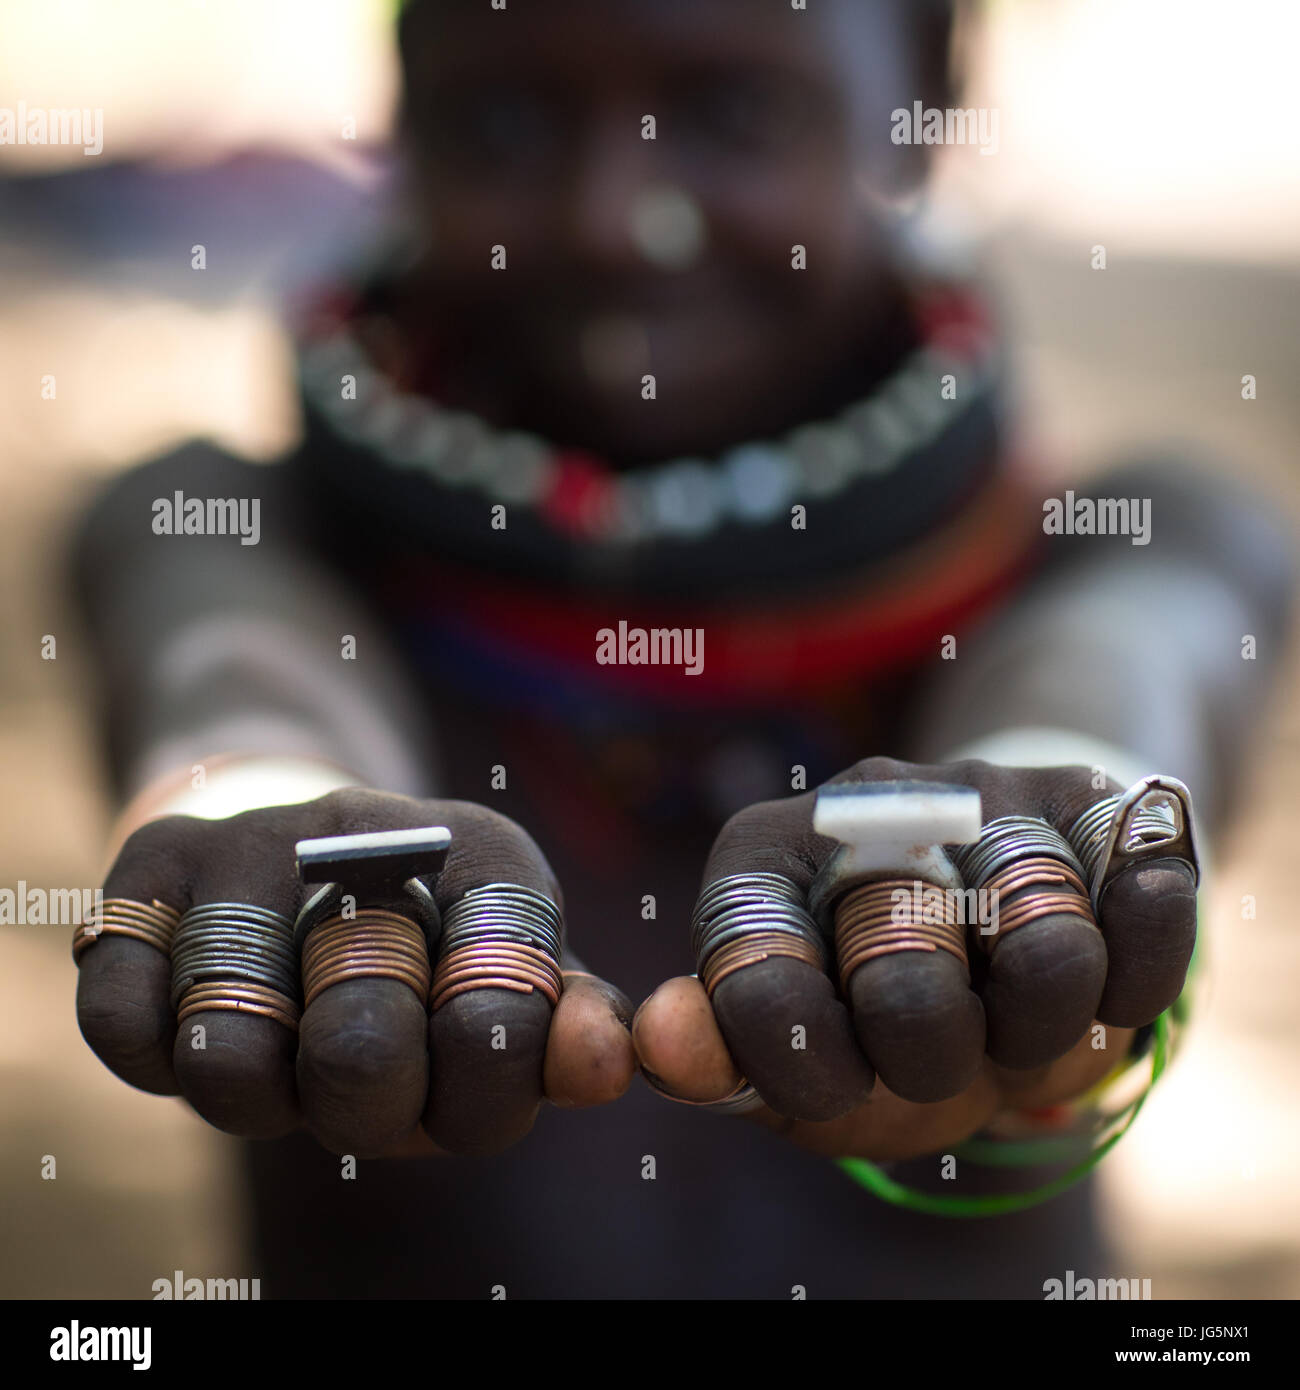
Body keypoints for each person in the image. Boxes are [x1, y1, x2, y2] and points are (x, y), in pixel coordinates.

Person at [71, 0, 1292, 1297]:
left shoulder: (1149, 532)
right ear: (400, 120)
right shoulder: (220, 524)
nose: (616, 214)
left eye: (735, 111)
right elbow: (235, 667)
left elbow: (1126, 657)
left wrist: (1048, 810)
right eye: (502, 119)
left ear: (927, 100)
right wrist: (265, 809)